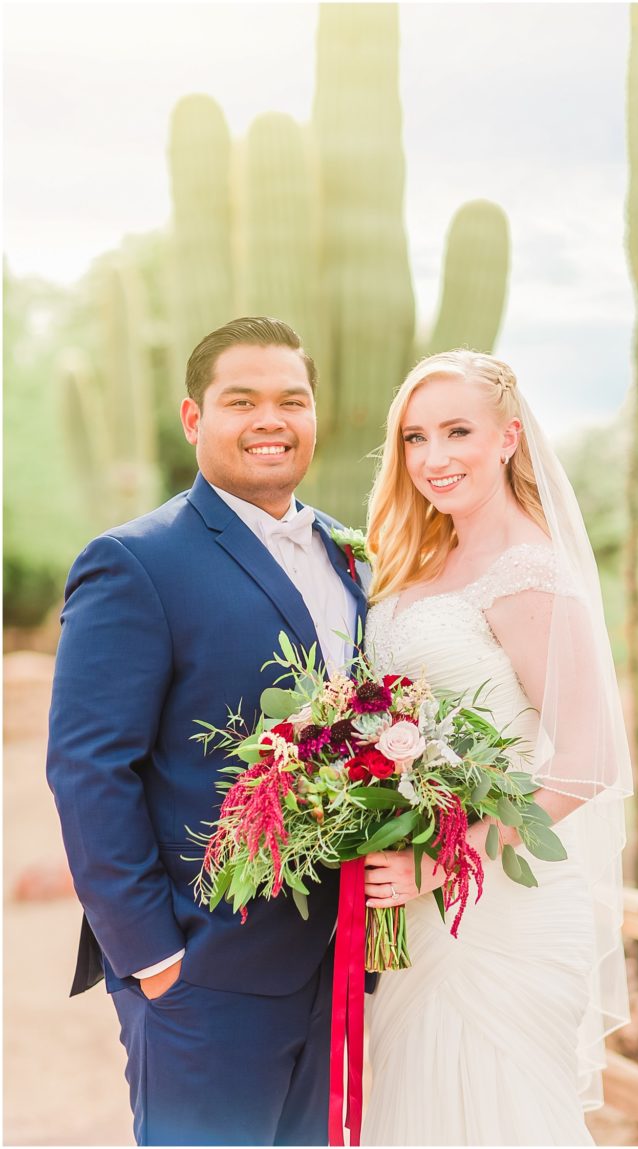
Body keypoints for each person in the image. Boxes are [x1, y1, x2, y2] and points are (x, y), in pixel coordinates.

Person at [46, 317, 367, 1146]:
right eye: (243, 400)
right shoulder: (135, 562)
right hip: (205, 976)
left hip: (340, 970)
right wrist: (155, 959)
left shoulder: (348, 552)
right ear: (195, 419)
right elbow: (89, 769)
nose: (272, 419)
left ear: (314, 415)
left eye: (291, 400)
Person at [361, 349, 633, 1146]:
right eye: (414, 438)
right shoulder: (422, 559)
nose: (433, 458)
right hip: (417, 902)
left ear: (509, 436)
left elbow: (589, 759)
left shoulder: (529, 572)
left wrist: (454, 855)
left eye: (457, 432)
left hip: (499, 899)